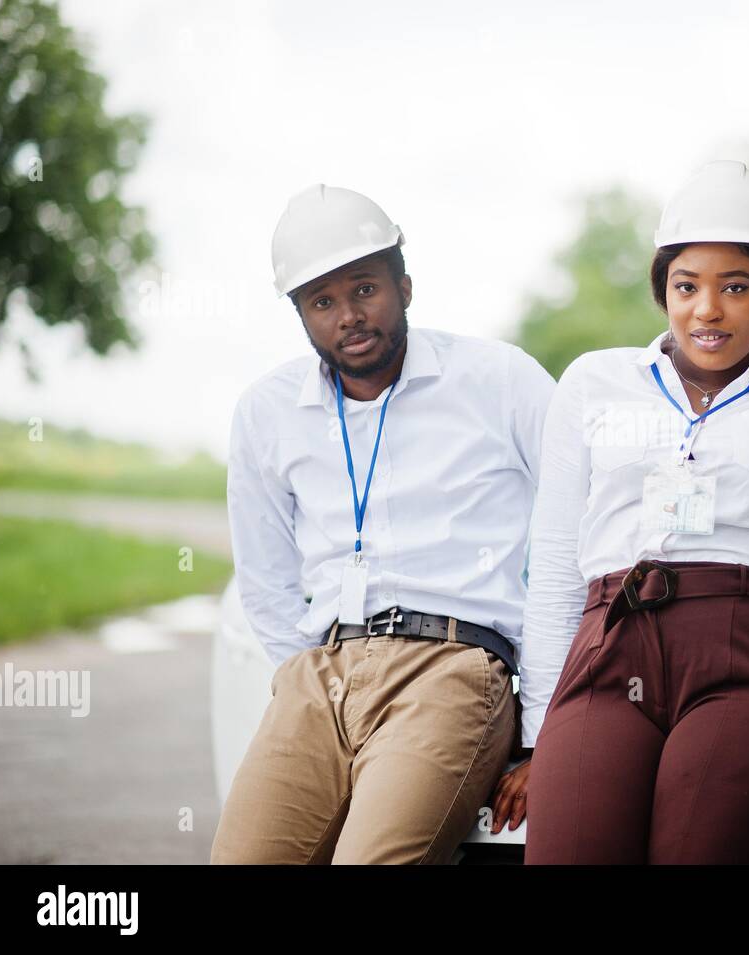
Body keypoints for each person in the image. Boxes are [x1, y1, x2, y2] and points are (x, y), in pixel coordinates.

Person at [498, 160, 749, 864]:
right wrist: (538, 733)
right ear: (663, 290)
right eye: (686, 286)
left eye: (736, 287)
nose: (707, 310)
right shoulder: (594, 382)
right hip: (607, 650)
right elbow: (558, 558)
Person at [211, 184, 555, 864]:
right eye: (323, 302)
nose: (349, 315)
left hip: (454, 666)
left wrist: (544, 729)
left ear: (403, 283)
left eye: (364, 289)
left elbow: (580, 541)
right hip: (320, 675)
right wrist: (301, 678)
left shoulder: (500, 380)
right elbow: (266, 578)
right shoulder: (266, 413)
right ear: (300, 313)